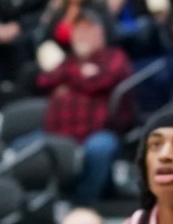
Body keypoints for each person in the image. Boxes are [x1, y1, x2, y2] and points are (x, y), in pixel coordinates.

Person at [34, 14, 133, 205]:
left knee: (99, 150)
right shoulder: (69, 62)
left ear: (100, 34)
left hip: (98, 132)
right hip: (57, 133)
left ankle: (84, 206)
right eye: (78, 31)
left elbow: (102, 81)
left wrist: (67, 79)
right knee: (20, 148)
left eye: (88, 31)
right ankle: (43, 208)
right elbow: (44, 80)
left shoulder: (114, 56)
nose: (82, 36)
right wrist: (80, 73)